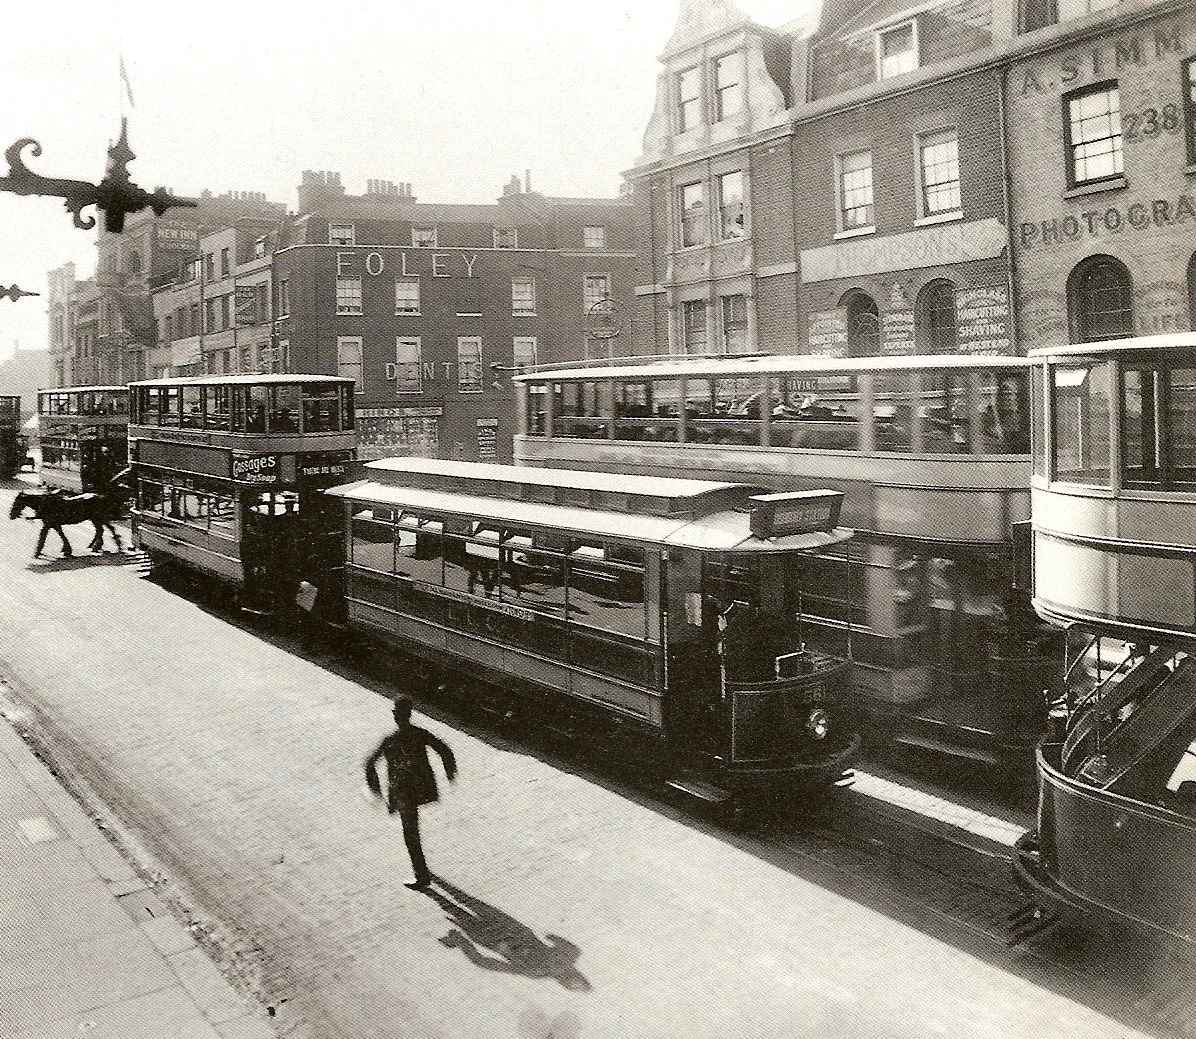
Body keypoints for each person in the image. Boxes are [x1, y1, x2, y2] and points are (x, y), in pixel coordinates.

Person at [364, 694, 458, 890]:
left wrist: (376, 790)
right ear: (410, 714)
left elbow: (370, 763)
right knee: (412, 831)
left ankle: (422, 876)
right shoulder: (419, 734)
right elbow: (444, 749)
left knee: (410, 834)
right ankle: (422, 871)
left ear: (395, 715)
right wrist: (450, 772)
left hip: (403, 792)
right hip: (419, 789)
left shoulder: (390, 740)